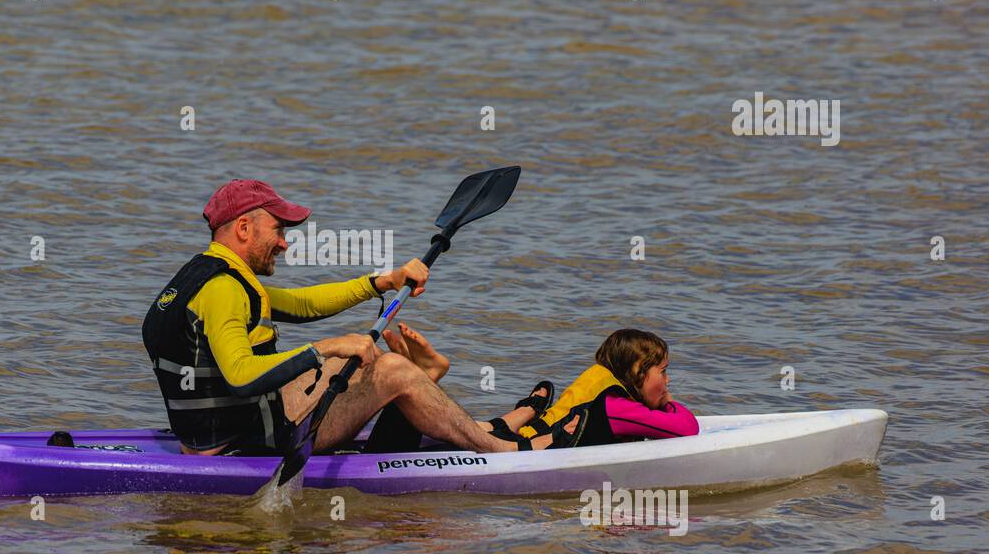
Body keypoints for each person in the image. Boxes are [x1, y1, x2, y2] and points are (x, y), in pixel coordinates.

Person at [141, 179, 548, 457]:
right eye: (279, 230)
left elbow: (302, 305)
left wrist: (384, 281)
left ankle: (482, 424)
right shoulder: (225, 288)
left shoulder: (202, 277)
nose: (284, 243)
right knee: (391, 369)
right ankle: (501, 450)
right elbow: (242, 375)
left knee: (356, 360)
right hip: (247, 443)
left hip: (221, 430)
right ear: (244, 227)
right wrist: (325, 346)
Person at [478, 328, 699, 448]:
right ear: (638, 370)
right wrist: (667, 402)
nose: (667, 380)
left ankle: (528, 412)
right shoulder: (617, 408)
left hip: (520, 438)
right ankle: (526, 412)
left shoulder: (609, 394)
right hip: (515, 448)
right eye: (663, 371)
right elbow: (687, 428)